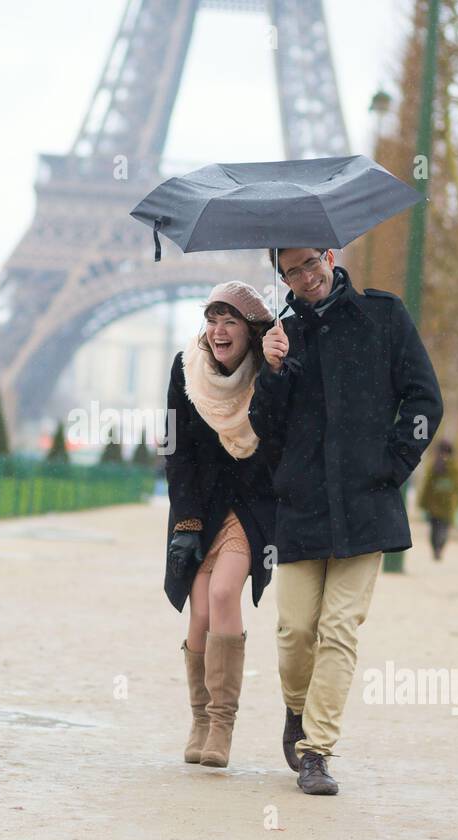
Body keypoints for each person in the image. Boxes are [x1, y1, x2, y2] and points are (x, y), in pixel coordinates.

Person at [249, 248, 442, 795]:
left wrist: (392, 465)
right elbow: (264, 425)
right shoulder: (281, 338)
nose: (306, 277)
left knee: (338, 630)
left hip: (365, 504)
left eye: (312, 263)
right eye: (292, 271)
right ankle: (295, 708)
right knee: (294, 630)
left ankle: (316, 751)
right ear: (281, 276)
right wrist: (275, 371)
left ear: (330, 256)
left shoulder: (384, 316)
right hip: (303, 507)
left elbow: (425, 398)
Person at [164, 281, 280, 769]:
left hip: (251, 506)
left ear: (251, 330)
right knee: (200, 616)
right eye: (212, 319)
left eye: (230, 321)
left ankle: (222, 723)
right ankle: (199, 720)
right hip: (200, 507)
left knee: (223, 593)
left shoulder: (270, 369)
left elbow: (278, 435)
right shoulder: (184, 368)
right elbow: (175, 446)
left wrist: (275, 371)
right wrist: (187, 522)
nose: (218, 330)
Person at [418, 441, 458, 561]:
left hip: (434, 505)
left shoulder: (434, 466)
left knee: (434, 529)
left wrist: (423, 503)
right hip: (447, 505)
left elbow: (427, 486)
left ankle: (436, 548)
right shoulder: (455, 467)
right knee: (443, 528)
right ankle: (439, 548)